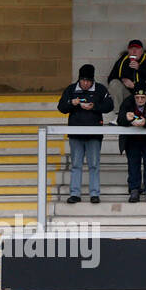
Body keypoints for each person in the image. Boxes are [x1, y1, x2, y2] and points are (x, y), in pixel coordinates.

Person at [56, 64, 114, 204]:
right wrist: (73, 103)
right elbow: (61, 107)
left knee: (94, 164)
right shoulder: (71, 89)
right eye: (83, 80)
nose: (86, 83)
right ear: (79, 79)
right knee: (76, 164)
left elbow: (110, 106)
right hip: (75, 134)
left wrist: (95, 106)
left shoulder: (100, 89)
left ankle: (94, 193)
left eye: (89, 81)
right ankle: (75, 193)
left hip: (94, 134)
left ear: (93, 80)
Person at [117, 80, 146, 203]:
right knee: (133, 165)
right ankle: (134, 190)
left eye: (143, 97)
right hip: (132, 140)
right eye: (137, 97)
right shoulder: (127, 101)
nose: (140, 100)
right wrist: (127, 118)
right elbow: (120, 118)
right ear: (134, 96)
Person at [107, 39, 146, 115]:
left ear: (142, 50)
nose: (134, 51)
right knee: (114, 83)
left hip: (142, 94)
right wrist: (123, 80)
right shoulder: (122, 60)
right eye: (131, 49)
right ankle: (119, 113)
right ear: (128, 51)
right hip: (127, 94)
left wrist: (140, 68)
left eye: (137, 49)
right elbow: (110, 78)